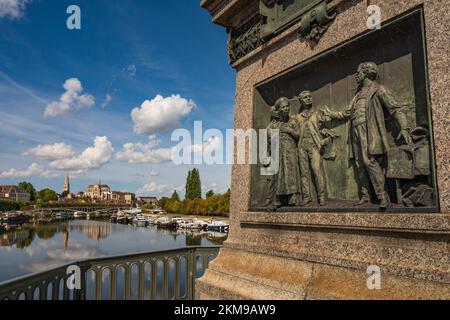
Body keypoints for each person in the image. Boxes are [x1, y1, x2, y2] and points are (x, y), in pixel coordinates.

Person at [348, 62, 411, 209]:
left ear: (367, 73)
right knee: (359, 163)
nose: (356, 75)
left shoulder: (378, 90)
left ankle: (383, 195)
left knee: (369, 160)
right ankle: (365, 195)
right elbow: (348, 113)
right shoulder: (358, 94)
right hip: (355, 131)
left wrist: (405, 128)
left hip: (370, 130)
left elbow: (396, 109)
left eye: (359, 72)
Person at [290, 90, 349, 206]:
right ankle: (306, 197)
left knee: (317, 171)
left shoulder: (318, 113)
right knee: (304, 173)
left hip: (314, 145)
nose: (308, 98)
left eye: (309, 96)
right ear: (301, 101)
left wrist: (342, 114)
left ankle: (321, 197)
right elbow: (291, 130)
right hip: (302, 146)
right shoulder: (296, 118)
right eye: (305, 97)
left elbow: (331, 118)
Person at [265, 97, 302, 208]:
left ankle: (293, 199)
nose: (286, 109)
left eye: (287, 106)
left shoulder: (293, 121)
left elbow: (298, 135)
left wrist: (289, 130)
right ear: (279, 110)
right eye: (283, 107)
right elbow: (270, 138)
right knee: (280, 176)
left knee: (291, 174)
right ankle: (280, 200)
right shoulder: (274, 124)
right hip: (279, 152)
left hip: (290, 150)